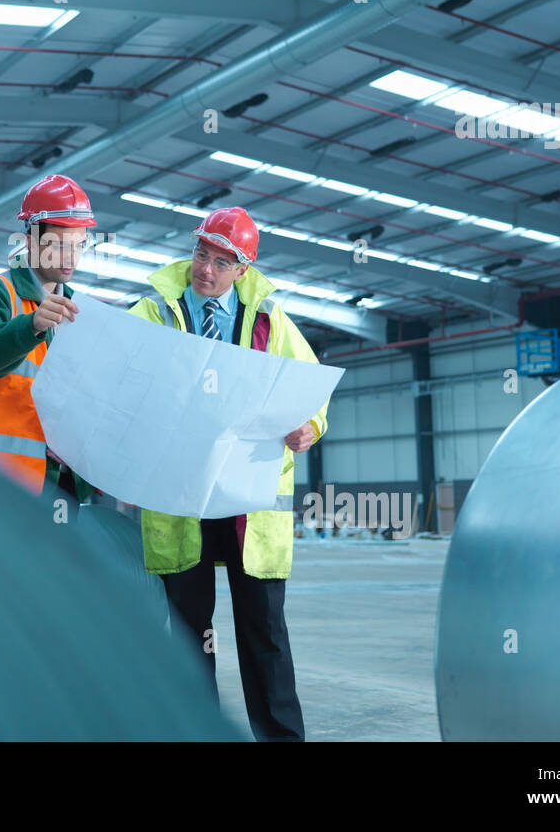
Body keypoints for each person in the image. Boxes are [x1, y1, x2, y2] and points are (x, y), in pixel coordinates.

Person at [127, 206, 330, 741]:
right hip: (182, 498)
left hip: (249, 499)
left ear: (243, 269)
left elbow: (311, 391)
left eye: (221, 262)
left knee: (264, 631)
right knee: (191, 635)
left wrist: (309, 426)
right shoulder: (151, 313)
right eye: (201, 254)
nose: (205, 270)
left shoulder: (269, 321)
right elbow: (120, 381)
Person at [0, 174, 96, 503]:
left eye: (78, 245)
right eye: (59, 245)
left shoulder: (80, 312)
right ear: (32, 242)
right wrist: (29, 326)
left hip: (61, 485)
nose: (70, 257)